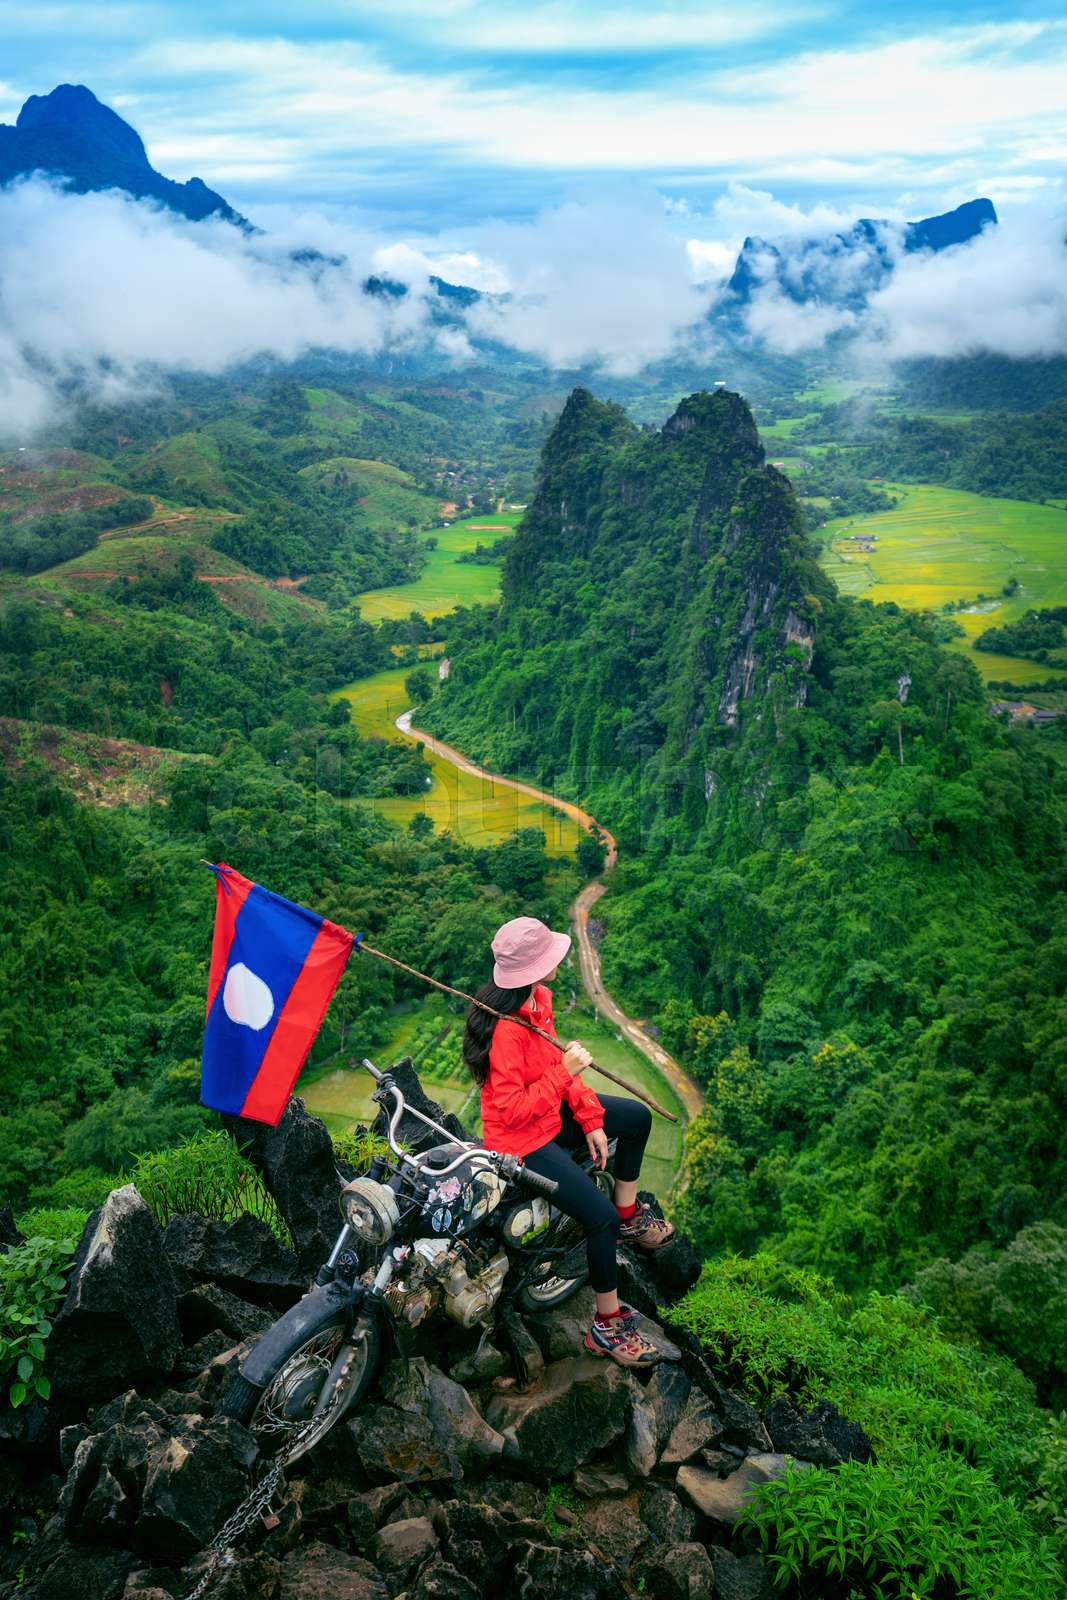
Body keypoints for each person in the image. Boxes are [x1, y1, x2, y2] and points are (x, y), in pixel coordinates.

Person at [462, 914, 675, 1367]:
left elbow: (557, 1065)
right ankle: (606, 1326)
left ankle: (630, 1213)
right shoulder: (506, 1031)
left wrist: (590, 1116)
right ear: (532, 968)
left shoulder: (537, 1000)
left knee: (634, 1119)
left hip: (550, 1110)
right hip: (519, 1138)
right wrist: (566, 1074)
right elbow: (513, 1109)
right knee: (599, 1221)